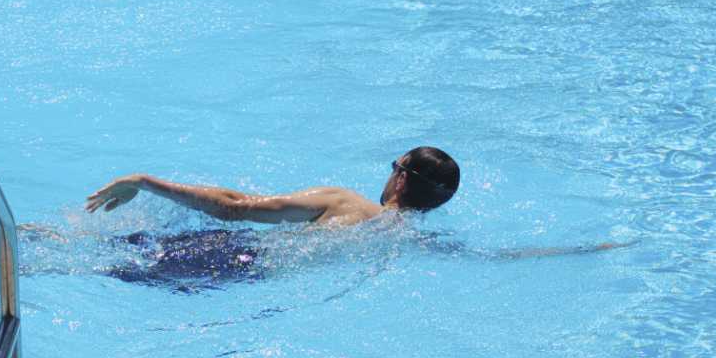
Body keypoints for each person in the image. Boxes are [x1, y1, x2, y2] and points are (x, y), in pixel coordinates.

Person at [85, 147, 462, 228]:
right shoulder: (413, 241)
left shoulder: (343, 201)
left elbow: (234, 206)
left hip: (233, 261)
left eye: (394, 165)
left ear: (401, 178)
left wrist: (144, 182)